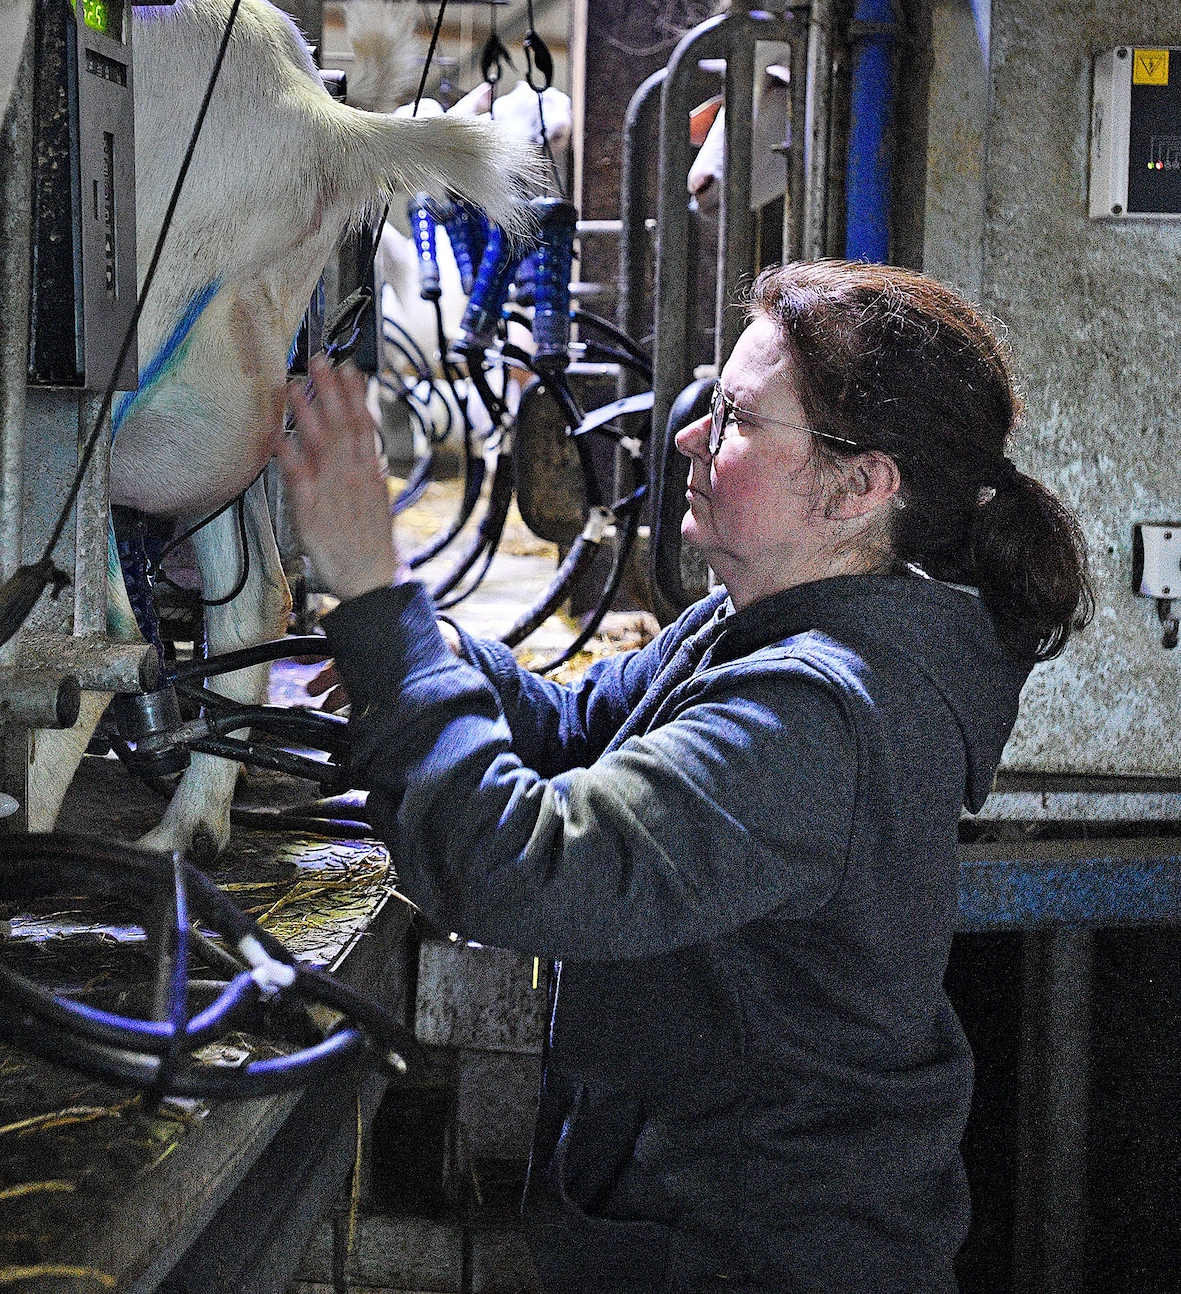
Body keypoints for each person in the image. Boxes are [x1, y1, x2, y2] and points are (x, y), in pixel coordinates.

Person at [275, 260, 1093, 1294]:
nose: (689, 436)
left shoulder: (825, 715)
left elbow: (523, 867)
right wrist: (425, 653)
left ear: (858, 487)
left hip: (757, 1262)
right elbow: (577, 729)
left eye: (737, 419)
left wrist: (378, 601)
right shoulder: (758, 620)